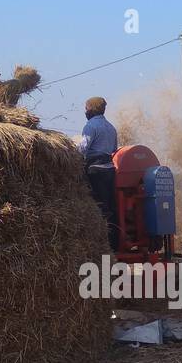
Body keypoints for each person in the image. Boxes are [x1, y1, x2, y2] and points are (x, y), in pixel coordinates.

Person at [78, 97, 120, 250]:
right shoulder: (111, 127)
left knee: (98, 206)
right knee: (110, 207)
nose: (85, 111)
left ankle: (102, 244)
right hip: (110, 170)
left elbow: (82, 149)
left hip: (95, 170)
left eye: (86, 108)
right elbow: (114, 149)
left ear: (91, 109)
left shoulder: (90, 126)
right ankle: (114, 242)